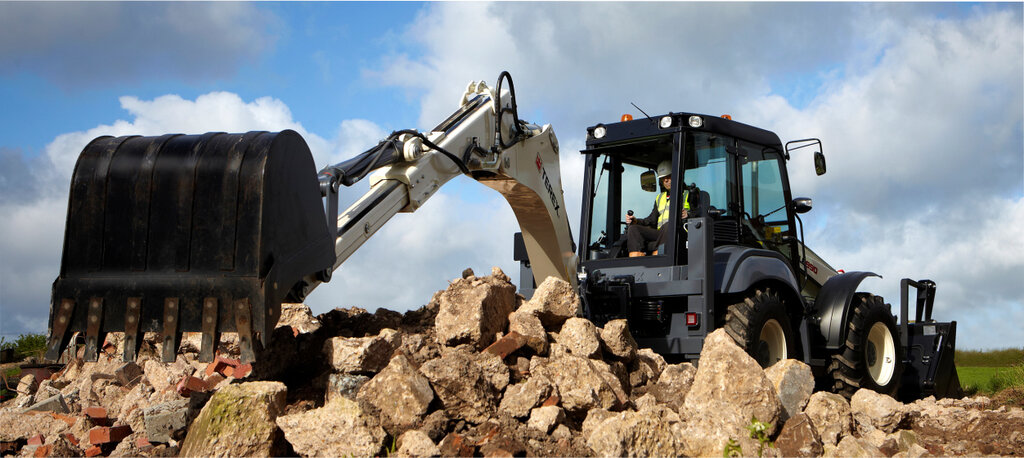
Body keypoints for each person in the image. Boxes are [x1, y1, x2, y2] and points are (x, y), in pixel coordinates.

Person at [625, 160, 689, 257]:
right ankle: (636, 259)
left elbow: (698, 214)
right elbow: (651, 220)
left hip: (679, 232)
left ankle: (659, 256)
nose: (666, 180)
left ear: (677, 175)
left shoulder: (688, 194)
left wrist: (688, 215)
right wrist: (636, 221)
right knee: (633, 229)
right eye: (663, 178)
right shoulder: (660, 198)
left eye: (668, 177)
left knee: (669, 226)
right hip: (660, 233)